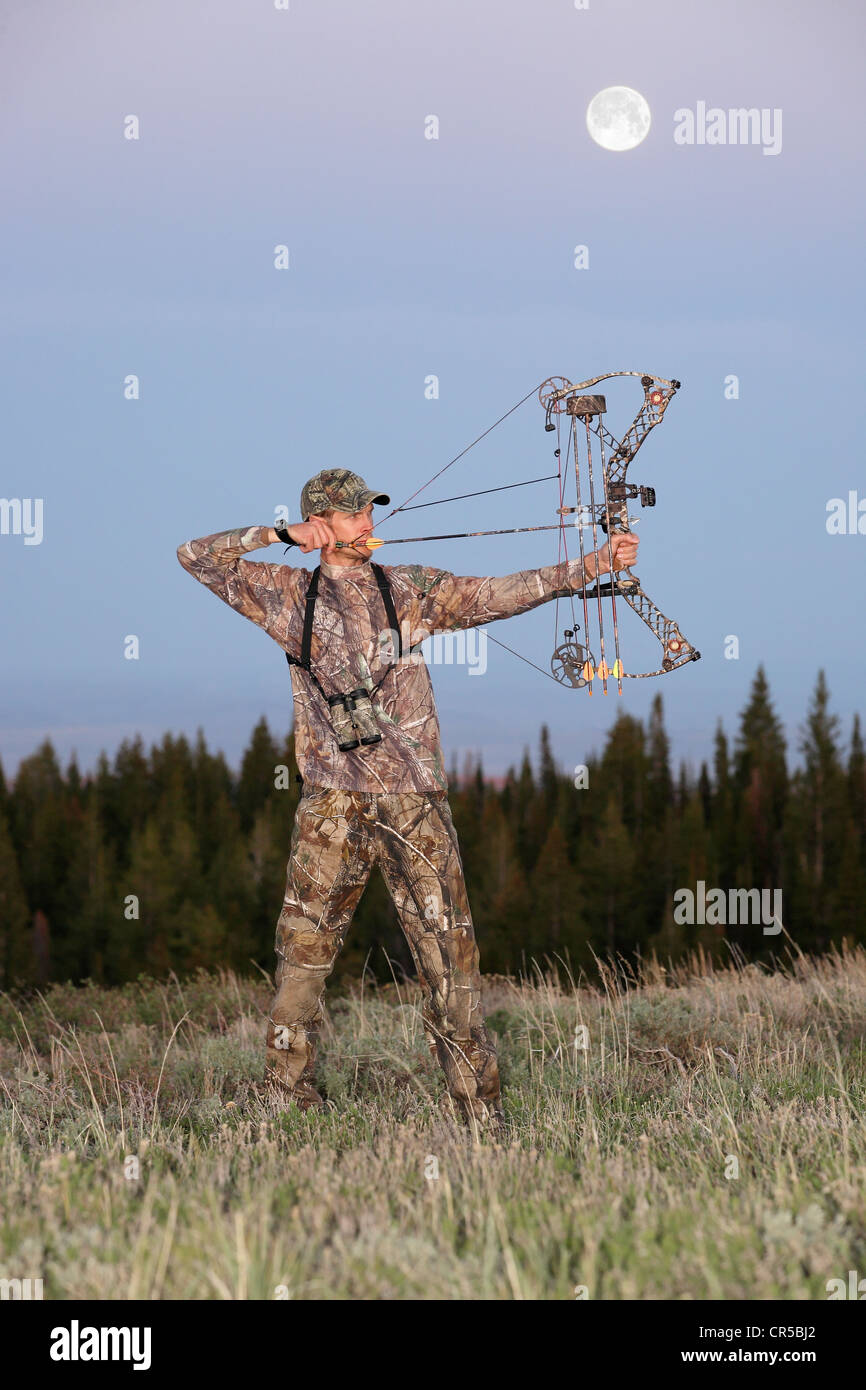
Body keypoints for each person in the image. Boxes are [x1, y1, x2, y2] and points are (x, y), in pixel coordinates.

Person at [176, 468, 638, 1133]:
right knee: (302, 963)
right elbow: (194, 556)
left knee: (451, 963)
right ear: (320, 524)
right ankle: (285, 1106)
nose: (368, 522)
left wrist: (592, 564)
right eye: (353, 515)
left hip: (414, 802)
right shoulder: (282, 593)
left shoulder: (410, 588)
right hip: (331, 805)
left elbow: (497, 594)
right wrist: (277, 535)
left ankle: (480, 1117)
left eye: (369, 510)